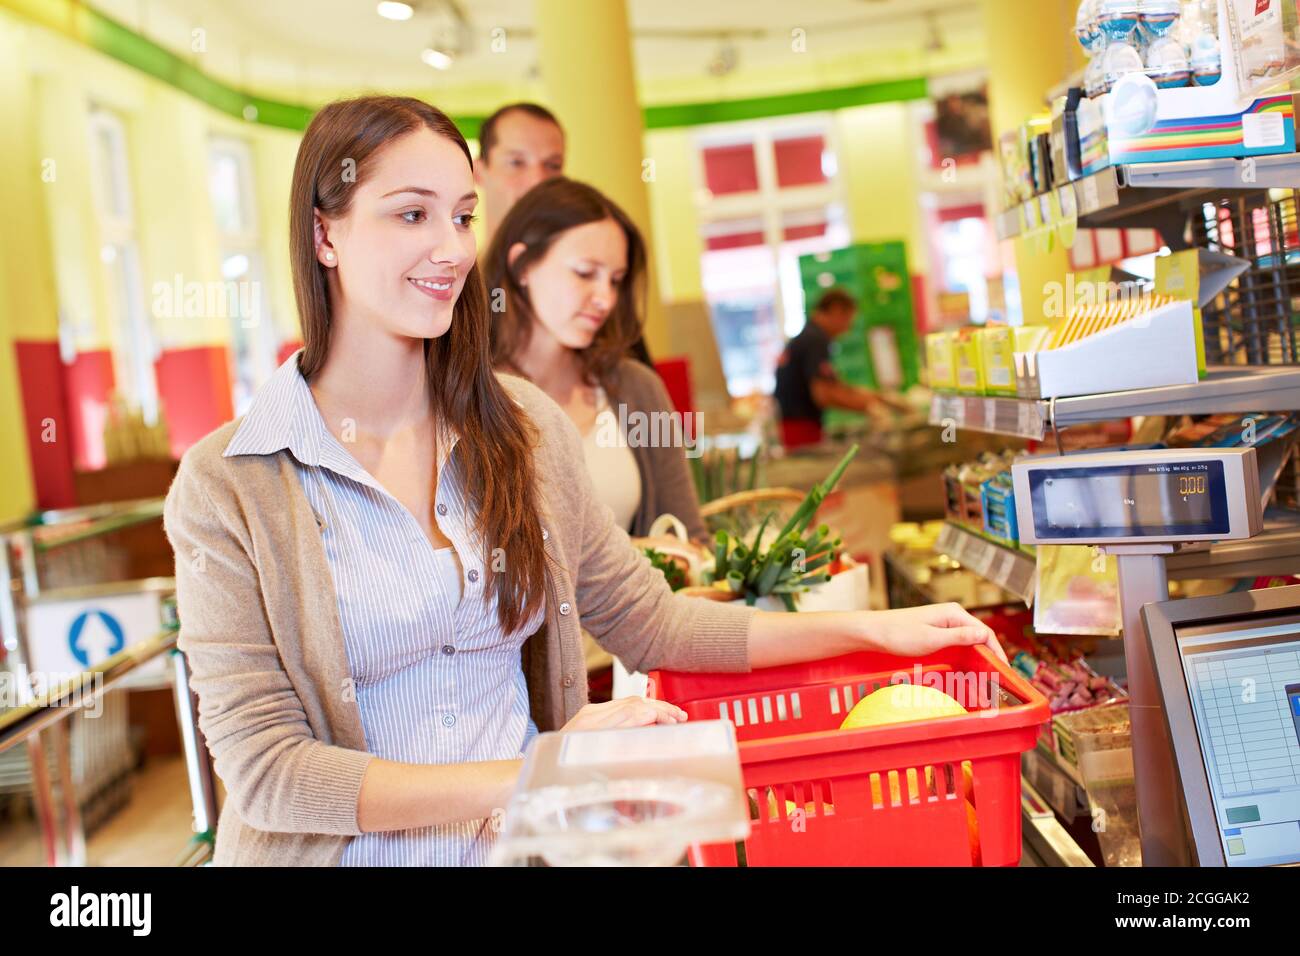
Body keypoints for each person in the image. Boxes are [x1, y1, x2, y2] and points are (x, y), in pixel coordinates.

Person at [163, 95, 1005, 867]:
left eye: (462, 216)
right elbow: (270, 773)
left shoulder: (521, 431)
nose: (451, 249)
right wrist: (543, 766)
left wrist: (877, 633)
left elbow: (653, 623)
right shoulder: (227, 486)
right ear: (325, 235)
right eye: (411, 214)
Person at [474, 102, 654, 367]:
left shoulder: (599, 285)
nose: (537, 180)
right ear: (480, 171)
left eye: (552, 165)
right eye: (516, 163)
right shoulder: (462, 285)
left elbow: (635, 392)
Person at [773, 288, 908, 449]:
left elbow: (833, 385)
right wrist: (869, 407)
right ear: (836, 311)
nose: (848, 329)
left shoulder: (809, 336)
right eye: (848, 320)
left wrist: (877, 398)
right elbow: (823, 394)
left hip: (796, 423)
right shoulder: (816, 340)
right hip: (801, 426)